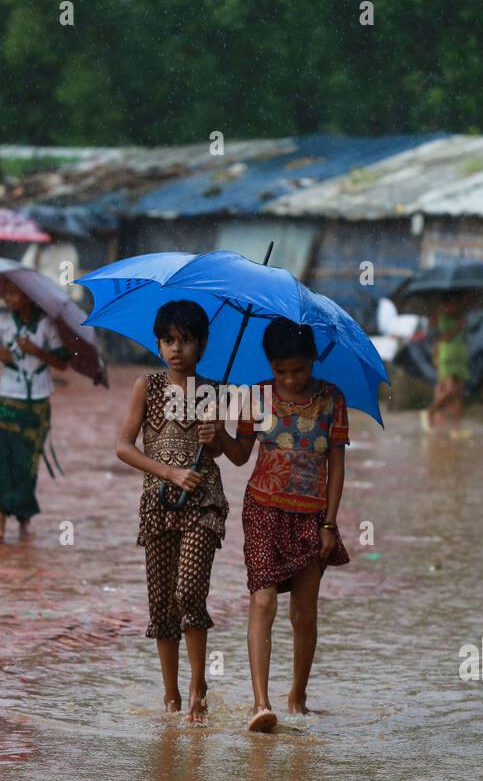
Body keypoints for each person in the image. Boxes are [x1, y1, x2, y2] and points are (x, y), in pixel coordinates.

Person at [212, 318, 349, 732]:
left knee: (304, 614)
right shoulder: (254, 396)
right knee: (263, 602)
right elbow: (238, 456)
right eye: (281, 370)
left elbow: (337, 466)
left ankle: (298, 698)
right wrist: (217, 432)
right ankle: (260, 703)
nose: (290, 379)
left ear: (312, 362)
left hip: (311, 515)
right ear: (270, 364)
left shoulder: (331, 399)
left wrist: (329, 522)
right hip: (262, 510)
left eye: (299, 369)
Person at [115, 300, 228, 723]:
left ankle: (198, 687)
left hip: (204, 503)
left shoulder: (216, 390)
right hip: (158, 503)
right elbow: (123, 446)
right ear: (159, 344)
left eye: (185, 340)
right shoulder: (148, 386)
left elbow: (234, 455)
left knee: (189, 591)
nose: (176, 348)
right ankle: (171, 695)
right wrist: (169, 472)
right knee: (161, 603)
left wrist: (217, 436)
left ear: (201, 344)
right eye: (168, 340)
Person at [0, 282, 69, 542]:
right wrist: (0, 355)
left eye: (14, 294)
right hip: (7, 398)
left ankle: (23, 518)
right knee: (3, 459)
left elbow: (62, 363)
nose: (8, 298)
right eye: (6, 293)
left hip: (37, 402)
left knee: (27, 461)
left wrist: (37, 351)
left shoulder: (47, 325)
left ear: (29, 297)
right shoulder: (2, 322)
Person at [423, 293, 470, 432]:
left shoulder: (462, 315)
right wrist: (459, 326)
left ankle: (456, 428)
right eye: (453, 303)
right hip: (448, 356)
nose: (455, 306)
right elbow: (444, 337)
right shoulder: (442, 316)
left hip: (460, 357)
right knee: (451, 390)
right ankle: (431, 411)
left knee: (458, 393)